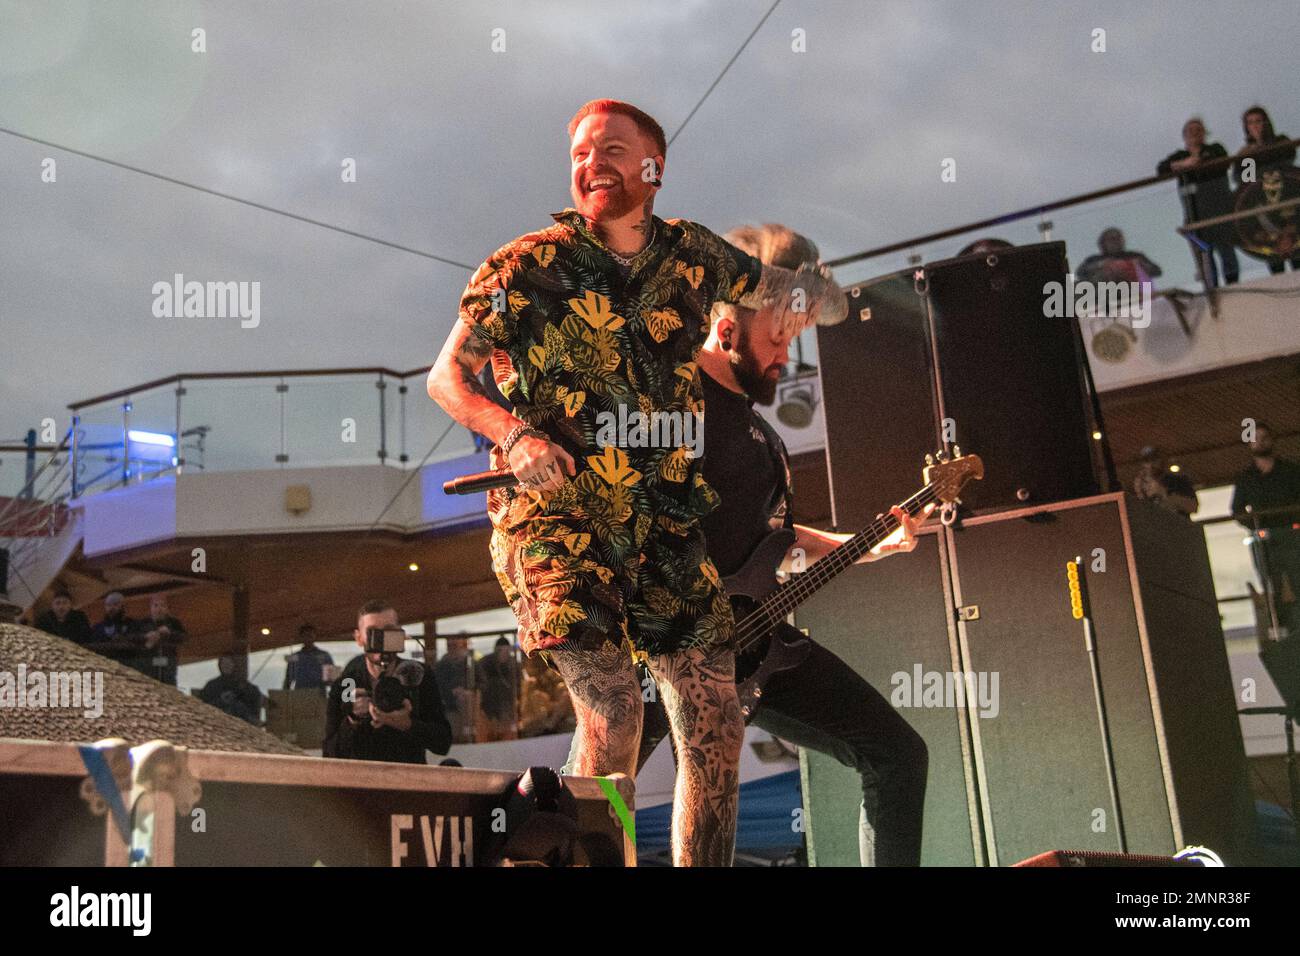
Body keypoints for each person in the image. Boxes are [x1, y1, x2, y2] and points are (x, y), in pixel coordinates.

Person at [427, 99, 847, 866]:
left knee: (715, 718)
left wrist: (816, 299)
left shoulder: (695, 256)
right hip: (559, 520)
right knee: (615, 715)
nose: (593, 164)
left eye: (612, 150)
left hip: (661, 523)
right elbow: (446, 377)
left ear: (654, 169)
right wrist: (513, 434)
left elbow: (798, 295)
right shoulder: (525, 265)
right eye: (582, 153)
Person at [568, 223, 931, 865]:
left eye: (795, 340)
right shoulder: (671, 401)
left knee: (898, 753)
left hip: (756, 646)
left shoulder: (761, 434)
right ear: (727, 323)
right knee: (596, 795)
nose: (786, 355)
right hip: (667, 645)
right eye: (777, 335)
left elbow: (774, 544)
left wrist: (869, 544)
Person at [322, 600, 451, 764]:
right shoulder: (347, 683)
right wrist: (352, 720)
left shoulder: (418, 676)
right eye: (372, 632)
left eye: (389, 631)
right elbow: (330, 753)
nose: (380, 640)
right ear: (359, 638)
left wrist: (407, 724)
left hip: (407, 779)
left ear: (400, 635)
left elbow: (443, 742)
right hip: (361, 782)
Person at [1231, 422, 1300, 630]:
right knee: (1271, 583)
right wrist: (1254, 524)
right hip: (1263, 537)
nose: (1260, 442)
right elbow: (1237, 510)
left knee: (1297, 578)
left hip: (1291, 532)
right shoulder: (1246, 478)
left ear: (1272, 441)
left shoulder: (1290, 470)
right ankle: (1281, 627)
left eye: (1264, 437)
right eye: (1256, 438)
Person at [1158, 117, 1238, 287]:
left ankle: (1234, 285)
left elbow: (1222, 162)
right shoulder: (1179, 156)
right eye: (1190, 131)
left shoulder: (1215, 148)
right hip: (1195, 216)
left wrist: (1199, 161)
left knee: (1226, 252)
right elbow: (1161, 169)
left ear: (1204, 133)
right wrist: (1183, 164)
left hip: (1219, 211)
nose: (1194, 134)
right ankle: (1211, 289)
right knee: (1204, 256)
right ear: (1184, 136)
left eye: (1198, 130)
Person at [1234, 106, 1300, 274]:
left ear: (1266, 123)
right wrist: (1246, 157)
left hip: (1289, 202)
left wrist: (1263, 149)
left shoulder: (1280, 141)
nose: (1255, 126)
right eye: (1250, 123)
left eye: (1258, 121)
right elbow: (1247, 181)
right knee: (1273, 258)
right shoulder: (1247, 153)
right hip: (1264, 209)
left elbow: (1287, 162)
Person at [1075, 228, 1162, 287]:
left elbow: (1157, 271)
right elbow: (1080, 273)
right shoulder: (1094, 259)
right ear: (1103, 243)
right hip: (1106, 296)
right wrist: (1101, 265)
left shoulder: (1134, 255)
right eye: (1112, 239)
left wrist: (1140, 264)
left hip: (1135, 294)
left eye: (1119, 238)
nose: (1116, 242)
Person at [132, 593, 188, 685]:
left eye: (162, 605)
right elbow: (133, 640)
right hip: (148, 664)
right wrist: (146, 637)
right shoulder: (142, 623)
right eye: (156, 605)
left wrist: (170, 633)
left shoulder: (174, 622)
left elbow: (184, 638)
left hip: (168, 664)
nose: (159, 609)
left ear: (167, 608)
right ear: (151, 607)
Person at [1131, 445, 1199, 517]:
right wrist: (1139, 495)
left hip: (1178, 525)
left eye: (1154, 459)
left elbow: (1193, 507)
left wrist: (1163, 493)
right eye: (1146, 461)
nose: (1150, 464)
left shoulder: (1177, 481)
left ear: (1163, 460)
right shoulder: (1141, 485)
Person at [433, 635, 476, 741]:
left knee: (468, 736)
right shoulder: (441, 666)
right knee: (455, 736)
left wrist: (470, 691)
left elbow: (481, 682)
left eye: (455, 645)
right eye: (449, 645)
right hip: (450, 708)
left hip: (471, 710)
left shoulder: (471, 664)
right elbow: (437, 687)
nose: (452, 648)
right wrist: (452, 693)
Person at [199, 654, 264, 724]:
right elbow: (203, 704)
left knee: (237, 706)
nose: (226, 666)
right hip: (217, 720)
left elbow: (254, 699)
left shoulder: (243, 684)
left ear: (234, 665)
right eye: (223, 663)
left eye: (229, 663)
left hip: (240, 723)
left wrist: (239, 694)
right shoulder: (212, 685)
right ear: (219, 665)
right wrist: (221, 700)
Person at [475, 636, 519, 741]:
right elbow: (479, 682)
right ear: (496, 650)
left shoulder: (513, 665)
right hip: (488, 705)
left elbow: (517, 684)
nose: (503, 653)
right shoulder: (485, 663)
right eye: (500, 650)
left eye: (506, 650)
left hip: (507, 706)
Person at [283, 623, 334, 691]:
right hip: (299, 694)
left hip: (319, 694)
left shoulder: (325, 655)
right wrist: (284, 696)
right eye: (305, 636)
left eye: (310, 635)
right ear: (300, 637)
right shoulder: (294, 657)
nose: (308, 638)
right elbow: (288, 679)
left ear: (315, 636)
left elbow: (333, 679)